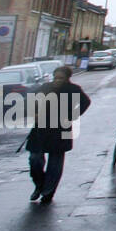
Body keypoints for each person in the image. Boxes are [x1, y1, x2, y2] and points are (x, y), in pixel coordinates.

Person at [28, 66, 91, 205]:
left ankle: (48, 191)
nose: (57, 80)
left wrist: (72, 116)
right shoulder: (45, 87)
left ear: (67, 78)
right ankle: (39, 184)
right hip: (41, 129)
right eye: (55, 77)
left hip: (60, 129)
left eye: (60, 78)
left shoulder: (74, 89)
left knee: (55, 163)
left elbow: (86, 102)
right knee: (35, 159)